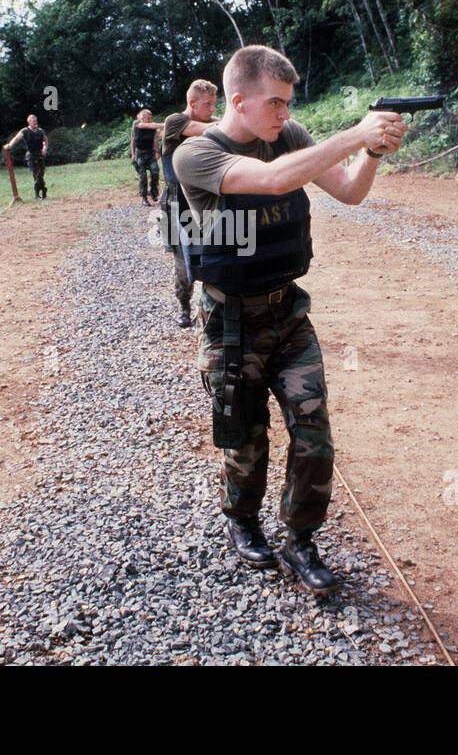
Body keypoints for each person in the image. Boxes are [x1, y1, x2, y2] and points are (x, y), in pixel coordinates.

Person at [172, 45, 404, 596]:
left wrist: (371, 151)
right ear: (238, 101)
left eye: (288, 103)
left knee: (315, 436)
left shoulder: (290, 135)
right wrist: (353, 133)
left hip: (288, 313)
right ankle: (243, 519)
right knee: (246, 441)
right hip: (231, 323)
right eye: (275, 103)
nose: (284, 115)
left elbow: (348, 191)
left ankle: (302, 539)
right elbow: (275, 180)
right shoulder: (195, 155)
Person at [158, 79, 217, 327]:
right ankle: (184, 307)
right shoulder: (175, 121)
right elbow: (213, 129)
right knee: (184, 266)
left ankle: (210, 310)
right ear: (192, 103)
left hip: (204, 202)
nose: (212, 109)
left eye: (215, 104)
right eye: (207, 104)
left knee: (214, 257)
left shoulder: (210, 123)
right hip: (176, 205)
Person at [4, 114, 48, 199]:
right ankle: (37, 194)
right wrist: (10, 145)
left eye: (36, 121)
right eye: (33, 121)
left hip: (40, 155)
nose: (35, 122)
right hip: (31, 156)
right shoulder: (25, 131)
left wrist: (45, 149)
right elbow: (16, 139)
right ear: (29, 122)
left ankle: (43, 190)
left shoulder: (40, 131)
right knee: (36, 174)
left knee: (41, 174)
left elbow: (45, 140)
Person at [130, 109, 161, 206]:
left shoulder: (153, 128)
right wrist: (133, 154)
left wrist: (157, 151)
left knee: (155, 171)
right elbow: (133, 141)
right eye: (148, 118)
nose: (150, 119)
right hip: (140, 154)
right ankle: (144, 198)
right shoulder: (136, 124)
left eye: (151, 118)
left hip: (150, 153)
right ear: (142, 118)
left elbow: (155, 140)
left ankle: (153, 192)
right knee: (143, 177)